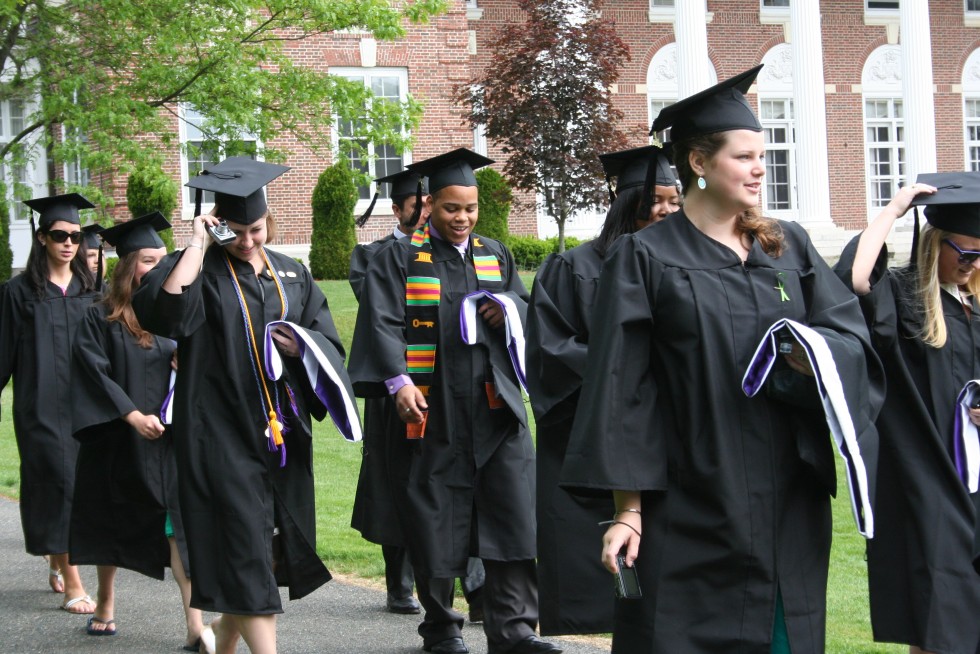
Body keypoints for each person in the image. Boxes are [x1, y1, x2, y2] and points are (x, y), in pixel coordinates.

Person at [561, 66, 882, 654]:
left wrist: (816, 358)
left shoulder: (786, 246)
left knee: (782, 634)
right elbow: (621, 386)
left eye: (763, 155)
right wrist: (627, 512)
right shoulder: (645, 257)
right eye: (744, 156)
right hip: (691, 497)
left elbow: (850, 335)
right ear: (699, 163)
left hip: (788, 497)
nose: (760, 167)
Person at [132, 157, 361, 654]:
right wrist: (196, 243)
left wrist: (302, 348)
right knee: (245, 547)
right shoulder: (201, 268)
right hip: (218, 434)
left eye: (255, 229)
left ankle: (220, 641)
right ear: (217, 225)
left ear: (268, 221)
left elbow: (328, 344)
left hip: (279, 435)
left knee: (262, 551)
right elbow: (164, 312)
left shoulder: (292, 273)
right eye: (235, 231)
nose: (247, 241)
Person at [349, 148, 560, 654]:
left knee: (510, 515)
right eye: (450, 208)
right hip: (432, 408)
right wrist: (398, 384)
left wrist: (506, 310)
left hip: (494, 409)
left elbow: (526, 316)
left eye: (469, 208)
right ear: (429, 206)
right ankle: (441, 628)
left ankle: (514, 629)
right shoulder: (399, 259)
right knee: (434, 517)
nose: (462, 219)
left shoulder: (495, 254)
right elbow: (380, 324)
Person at [525, 144, 679, 636]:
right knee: (610, 589)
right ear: (627, 201)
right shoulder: (574, 268)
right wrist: (629, 369)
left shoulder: (687, 268)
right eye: (655, 198)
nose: (666, 210)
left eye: (675, 201)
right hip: (595, 440)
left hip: (676, 446)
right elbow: (551, 352)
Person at [834, 172, 980, 654]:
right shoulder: (903, 298)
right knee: (937, 611)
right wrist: (895, 211)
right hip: (928, 472)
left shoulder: (976, 307)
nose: (973, 265)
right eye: (965, 252)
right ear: (935, 242)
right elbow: (855, 277)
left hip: (977, 482)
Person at [69, 211, 204, 645]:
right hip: (117, 438)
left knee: (177, 530)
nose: (158, 267)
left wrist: (186, 363)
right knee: (111, 521)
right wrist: (130, 415)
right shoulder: (99, 317)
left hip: (166, 439)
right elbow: (93, 373)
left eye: (162, 259)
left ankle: (194, 624)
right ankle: (106, 602)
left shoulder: (172, 315)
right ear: (127, 265)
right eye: (148, 260)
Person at [0, 193, 99, 615]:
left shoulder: (90, 289)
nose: (68, 244)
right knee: (58, 484)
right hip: (39, 404)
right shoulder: (18, 292)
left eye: (75, 236)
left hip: (83, 403)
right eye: (59, 235)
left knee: (79, 485)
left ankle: (57, 558)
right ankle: (75, 581)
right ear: (42, 238)